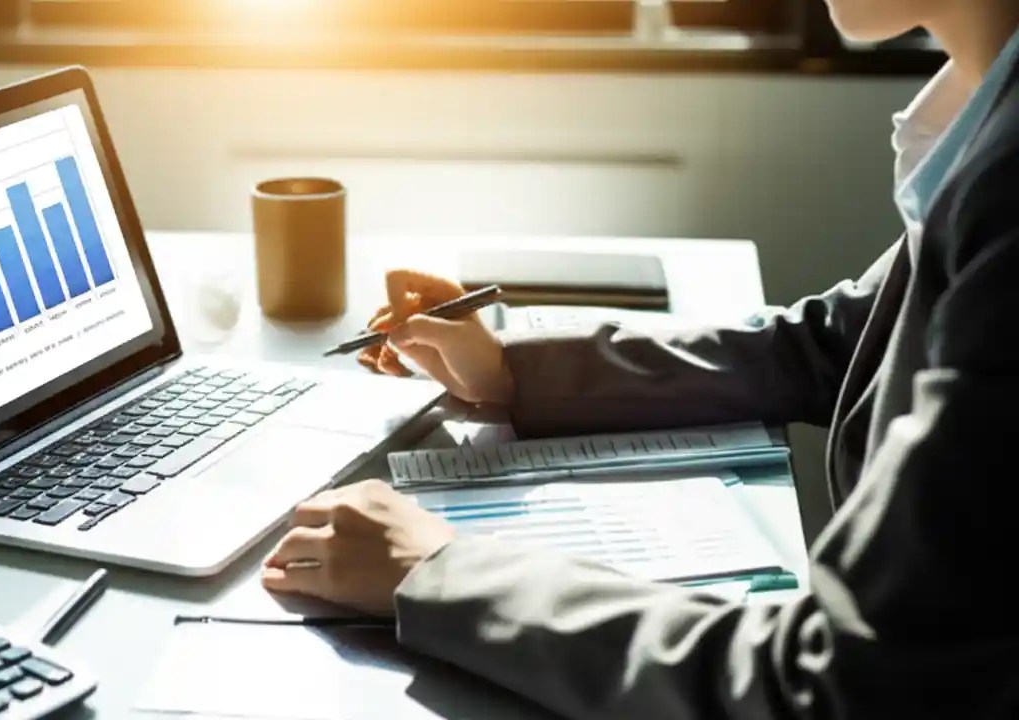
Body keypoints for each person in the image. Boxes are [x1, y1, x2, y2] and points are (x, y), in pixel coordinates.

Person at [260, 0, 1019, 717]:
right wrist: (513, 371)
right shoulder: (982, 126)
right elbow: (830, 344)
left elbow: (842, 685)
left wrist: (439, 574)